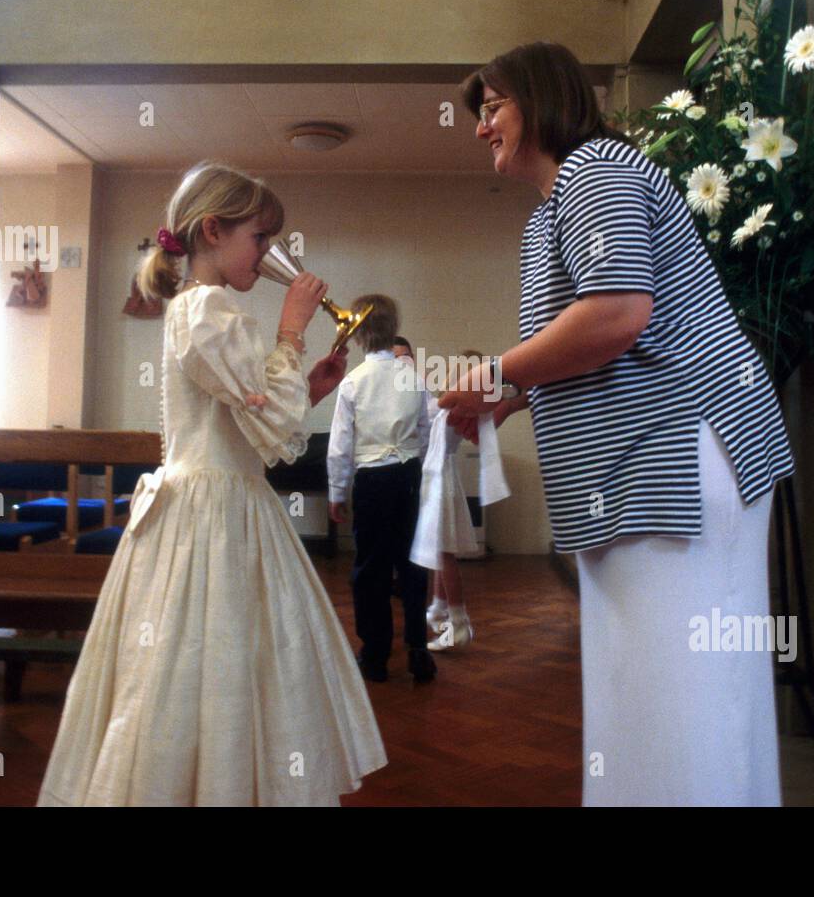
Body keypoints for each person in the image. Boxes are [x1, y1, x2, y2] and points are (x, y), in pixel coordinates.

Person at [439, 43, 796, 806]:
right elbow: (598, 340)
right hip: (639, 464)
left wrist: (499, 375)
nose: (480, 128)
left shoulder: (596, 170)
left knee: (680, 687)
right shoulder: (558, 204)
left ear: (541, 99)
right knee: (653, 685)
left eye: (493, 106)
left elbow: (618, 315)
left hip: (675, 456)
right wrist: (510, 400)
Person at [38, 162, 386, 806]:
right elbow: (267, 418)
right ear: (213, 231)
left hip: (226, 503)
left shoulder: (206, 308)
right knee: (188, 672)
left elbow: (259, 423)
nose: (269, 253)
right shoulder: (206, 309)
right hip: (209, 516)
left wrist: (306, 387)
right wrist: (291, 328)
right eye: (260, 238)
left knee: (227, 669)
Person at [327, 295, 436, 684]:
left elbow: (340, 445)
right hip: (407, 478)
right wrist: (411, 459)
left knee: (370, 568)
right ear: (393, 329)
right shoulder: (415, 379)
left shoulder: (353, 383)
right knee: (411, 563)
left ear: (357, 334)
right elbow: (426, 430)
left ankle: (374, 655)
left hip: (371, 481)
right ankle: (418, 652)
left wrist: (338, 492)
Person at [423, 349, 485, 650]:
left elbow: (425, 413)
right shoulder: (456, 407)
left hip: (440, 478)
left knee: (443, 553)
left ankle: (459, 622)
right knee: (440, 550)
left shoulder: (451, 408)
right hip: (443, 475)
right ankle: (437, 609)